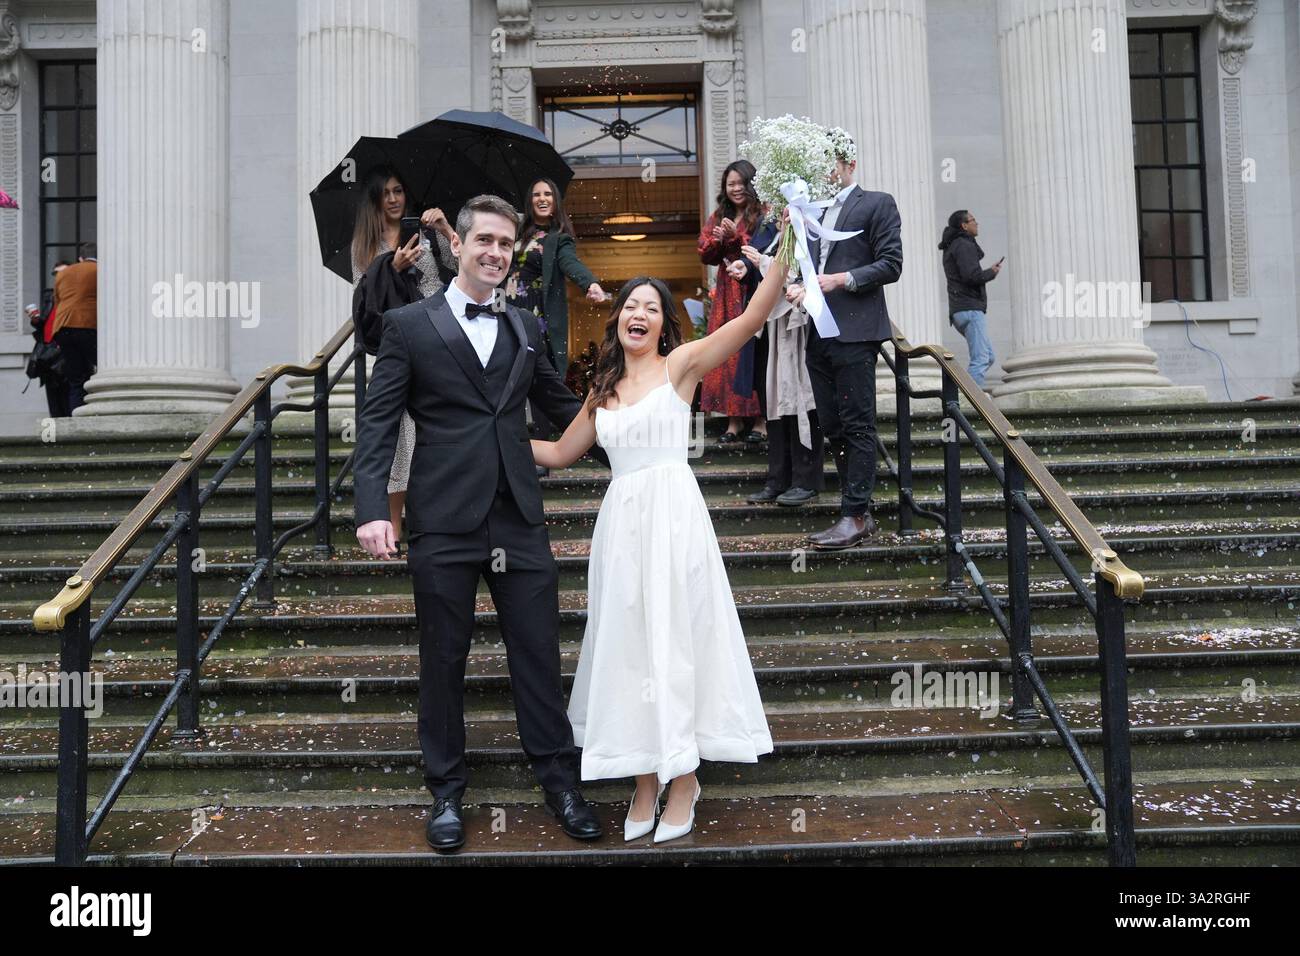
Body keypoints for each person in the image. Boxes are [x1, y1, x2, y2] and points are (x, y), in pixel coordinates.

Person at [353, 194, 607, 853]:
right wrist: (373, 508)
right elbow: (378, 423)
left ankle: (560, 782)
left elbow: (559, 406)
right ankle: (445, 792)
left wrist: (631, 441)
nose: (495, 252)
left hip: (518, 516)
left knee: (538, 653)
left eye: (505, 243)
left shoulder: (526, 326)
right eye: (485, 240)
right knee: (443, 658)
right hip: (442, 519)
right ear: (458, 245)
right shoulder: (408, 326)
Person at [529, 222, 790, 844]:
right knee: (629, 649)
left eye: (650, 307)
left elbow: (753, 317)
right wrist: (488, 438)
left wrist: (788, 244)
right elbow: (560, 453)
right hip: (621, 530)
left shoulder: (681, 366)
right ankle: (644, 778)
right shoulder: (601, 389)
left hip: (674, 518)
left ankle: (684, 777)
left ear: (663, 324)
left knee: (674, 641)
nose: (638, 315)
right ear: (617, 319)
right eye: (630, 306)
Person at [797, 134, 903, 551]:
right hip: (817, 332)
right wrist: (798, 287)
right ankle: (855, 509)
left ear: (849, 165)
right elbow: (808, 268)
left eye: (831, 164)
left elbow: (891, 264)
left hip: (857, 331)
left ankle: (855, 515)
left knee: (857, 423)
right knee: (832, 425)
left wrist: (842, 279)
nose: (825, 173)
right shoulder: (810, 213)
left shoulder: (877, 203)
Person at [350, 166, 458, 544]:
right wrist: (391, 269)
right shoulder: (365, 245)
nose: (394, 199)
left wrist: (445, 227)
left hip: (439, 334)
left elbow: (463, 265)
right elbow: (362, 297)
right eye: (386, 193)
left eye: (398, 190)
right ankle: (392, 526)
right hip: (397, 341)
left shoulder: (426, 232)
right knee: (398, 433)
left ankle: (435, 523)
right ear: (375, 200)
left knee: (438, 423)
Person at [733, 231, 825, 507]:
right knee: (775, 402)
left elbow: (805, 275)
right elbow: (766, 268)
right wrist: (748, 267)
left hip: (801, 328)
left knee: (802, 400)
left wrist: (763, 263)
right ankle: (778, 479)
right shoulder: (775, 234)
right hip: (773, 329)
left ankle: (805, 480)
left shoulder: (813, 234)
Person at [698, 159, 766, 444]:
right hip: (726, 294)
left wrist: (735, 237)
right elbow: (705, 254)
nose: (736, 188)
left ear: (751, 184)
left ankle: (761, 421)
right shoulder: (718, 216)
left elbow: (761, 250)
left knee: (753, 350)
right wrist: (719, 241)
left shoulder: (763, 213)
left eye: (741, 183)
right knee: (726, 352)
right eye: (731, 184)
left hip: (752, 290)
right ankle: (733, 421)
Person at [939, 209, 1001, 390]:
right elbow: (971, 276)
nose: (977, 223)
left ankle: (964, 393)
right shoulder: (963, 245)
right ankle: (971, 401)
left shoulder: (955, 245)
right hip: (969, 309)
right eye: (973, 220)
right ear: (964, 225)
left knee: (988, 357)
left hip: (962, 309)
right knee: (981, 359)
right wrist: (991, 272)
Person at [50, 243, 98, 412]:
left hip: (62, 327)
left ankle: (77, 416)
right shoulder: (100, 270)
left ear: (80, 258)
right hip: (86, 324)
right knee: (104, 370)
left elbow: (57, 300)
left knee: (76, 379)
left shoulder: (63, 273)